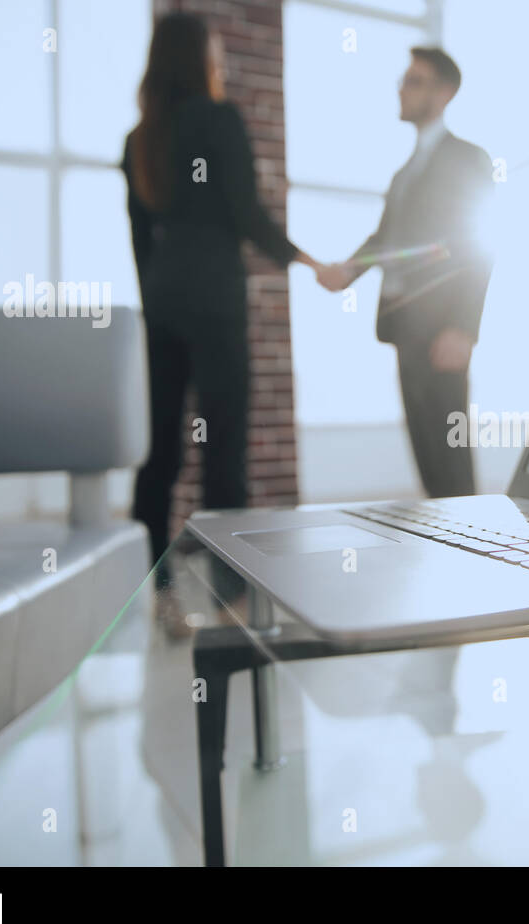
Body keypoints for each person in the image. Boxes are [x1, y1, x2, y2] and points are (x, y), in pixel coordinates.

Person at [123, 12, 321, 607]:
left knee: (159, 453)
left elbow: (140, 239)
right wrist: (308, 262)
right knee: (223, 447)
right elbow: (247, 214)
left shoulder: (140, 138)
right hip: (213, 298)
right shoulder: (219, 119)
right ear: (198, 56)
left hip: (161, 301)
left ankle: (156, 595)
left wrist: (153, 302)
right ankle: (228, 594)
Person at [316, 47, 494, 499]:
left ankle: (478, 559)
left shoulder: (467, 158)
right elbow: (386, 239)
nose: (401, 88)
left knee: (452, 464)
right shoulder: (403, 175)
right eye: (404, 79)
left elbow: (479, 241)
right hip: (405, 326)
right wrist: (348, 271)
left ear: (445, 92)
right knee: (428, 460)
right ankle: (450, 555)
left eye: (414, 80)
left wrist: (463, 327)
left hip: (442, 330)